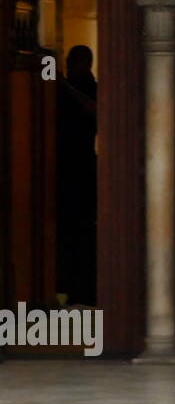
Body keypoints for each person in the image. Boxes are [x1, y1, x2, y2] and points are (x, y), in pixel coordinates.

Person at [57, 45, 98, 307]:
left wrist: (66, 88)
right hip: (79, 167)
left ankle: (77, 288)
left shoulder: (82, 88)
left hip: (71, 167)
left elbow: (96, 112)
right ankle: (77, 288)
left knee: (76, 231)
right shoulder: (78, 87)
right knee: (79, 231)